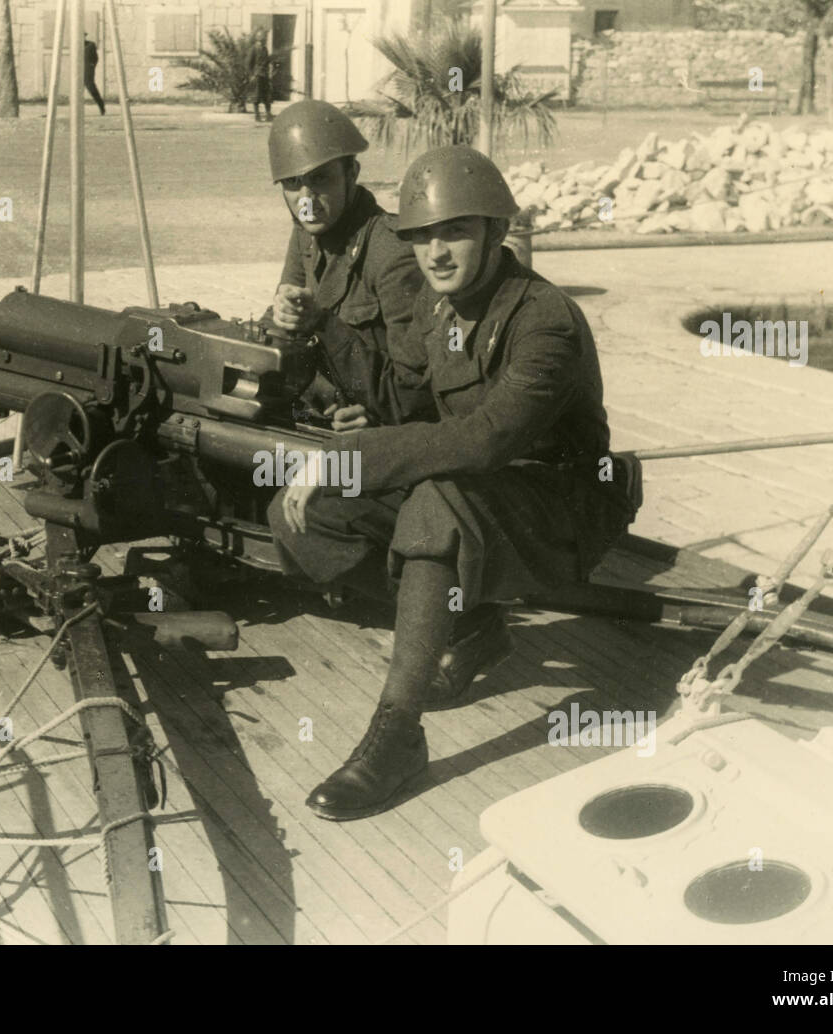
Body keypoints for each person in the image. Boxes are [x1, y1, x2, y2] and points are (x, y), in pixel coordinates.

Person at [271, 146, 641, 821]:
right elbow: (403, 404)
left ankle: (396, 736)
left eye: (454, 232)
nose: (435, 253)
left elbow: (486, 438)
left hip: (562, 505)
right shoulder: (443, 314)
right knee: (304, 514)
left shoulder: (543, 319)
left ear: (496, 233)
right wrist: (327, 385)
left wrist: (355, 457)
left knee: (433, 508)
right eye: (421, 237)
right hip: (481, 496)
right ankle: (469, 625)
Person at [264, 99, 427, 435]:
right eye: (292, 183)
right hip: (326, 415)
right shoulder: (307, 232)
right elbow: (284, 333)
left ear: (351, 173)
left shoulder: (393, 253)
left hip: (381, 427)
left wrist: (372, 418)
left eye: (320, 179)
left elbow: (414, 393)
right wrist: (279, 319)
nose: (305, 199)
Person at [248, 28, 274, 122]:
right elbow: (249, 63)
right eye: (263, 38)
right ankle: (257, 115)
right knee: (257, 96)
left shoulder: (265, 49)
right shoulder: (253, 49)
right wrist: (252, 75)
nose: (265, 40)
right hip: (257, 75)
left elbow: (266, 61)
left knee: (267, 95)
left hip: (265, 75)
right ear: (259, 38)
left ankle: (268, 114)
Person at [84, 35, 106, 116]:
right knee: (75, 90)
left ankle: (101, 106)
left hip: (88, 71)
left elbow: (95, 58)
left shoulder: (90, 45)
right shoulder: (75, 45)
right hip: (77, 71)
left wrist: (91, 66)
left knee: (92, 88)